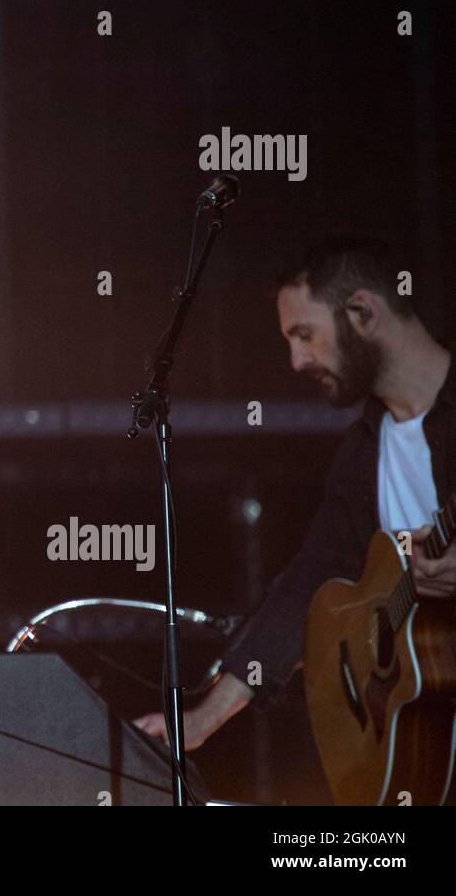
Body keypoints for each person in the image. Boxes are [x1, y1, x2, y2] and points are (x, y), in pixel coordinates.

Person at [134, 236, 455, 751]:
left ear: (364, 311)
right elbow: (309, 584)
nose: (297, 361)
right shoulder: (361, 454)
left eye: (305, 334)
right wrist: (199, 722)